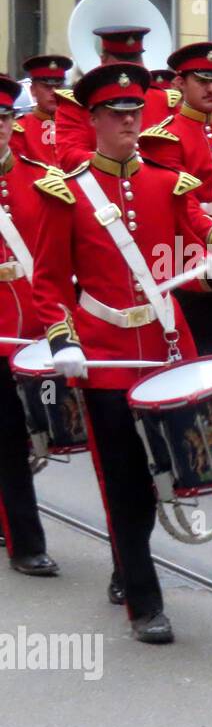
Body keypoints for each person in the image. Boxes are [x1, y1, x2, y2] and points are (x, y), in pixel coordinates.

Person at [31, 63, 212, 643]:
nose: (130, 122)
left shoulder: (165, 180)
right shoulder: (68, 190)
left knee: (163, 473)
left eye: (135, 113)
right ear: (95, 120)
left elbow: (195, 220)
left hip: (163, 344)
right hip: (102, 355)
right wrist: (62, 339)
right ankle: (145, 601)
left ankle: (128, 563)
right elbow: (50, 283)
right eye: (117, 115)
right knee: (123, 477)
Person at [139, 42, 212, 376]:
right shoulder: (164, 137)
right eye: (201, 80)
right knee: (206, 340)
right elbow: (181, 205)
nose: (210, 88)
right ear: (179, 83)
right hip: (192, 246)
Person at [0, 75, 59, 578]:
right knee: (8, 440)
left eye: (2, 119)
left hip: (33, 332)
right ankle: (26, 541)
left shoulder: (40, 179)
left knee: (26, 437)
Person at [54, 26, 177, 169]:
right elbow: (69, 157)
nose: (129, 67)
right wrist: (122, 164)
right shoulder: (76, 103)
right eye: (121, 59)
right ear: (103, 59)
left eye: (135, 58)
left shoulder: (166, 101)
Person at [15, 55, 72, 165]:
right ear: (33, 90)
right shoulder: (20, 129)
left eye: (58, 87)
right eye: (47, 87)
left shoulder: (76, 125)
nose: (54, 92)